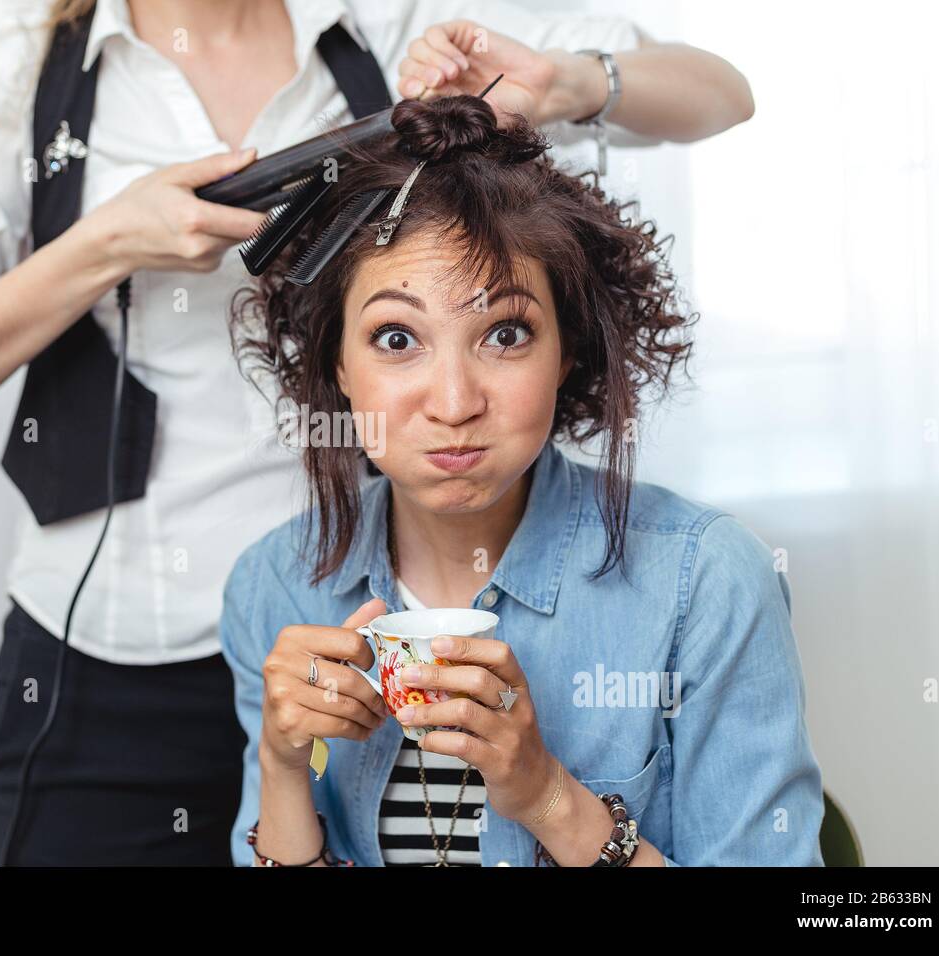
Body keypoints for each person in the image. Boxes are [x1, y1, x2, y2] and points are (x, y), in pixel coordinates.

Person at [0, 0, 756, 865]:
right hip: (120, 655)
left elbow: (720, 91)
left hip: (359, 610)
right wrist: (108, 243)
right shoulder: (16, 55)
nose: (453, 398)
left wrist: (559, 82)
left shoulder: (393, 23)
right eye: (398, 339)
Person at [220, 94, 823, 867]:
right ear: (338, 364)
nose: (453, 402)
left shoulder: (705, 581)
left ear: (566, 348)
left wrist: (545, 793)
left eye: (505, 334)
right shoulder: (274, 584)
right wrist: (280, 766)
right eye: (397, 338)